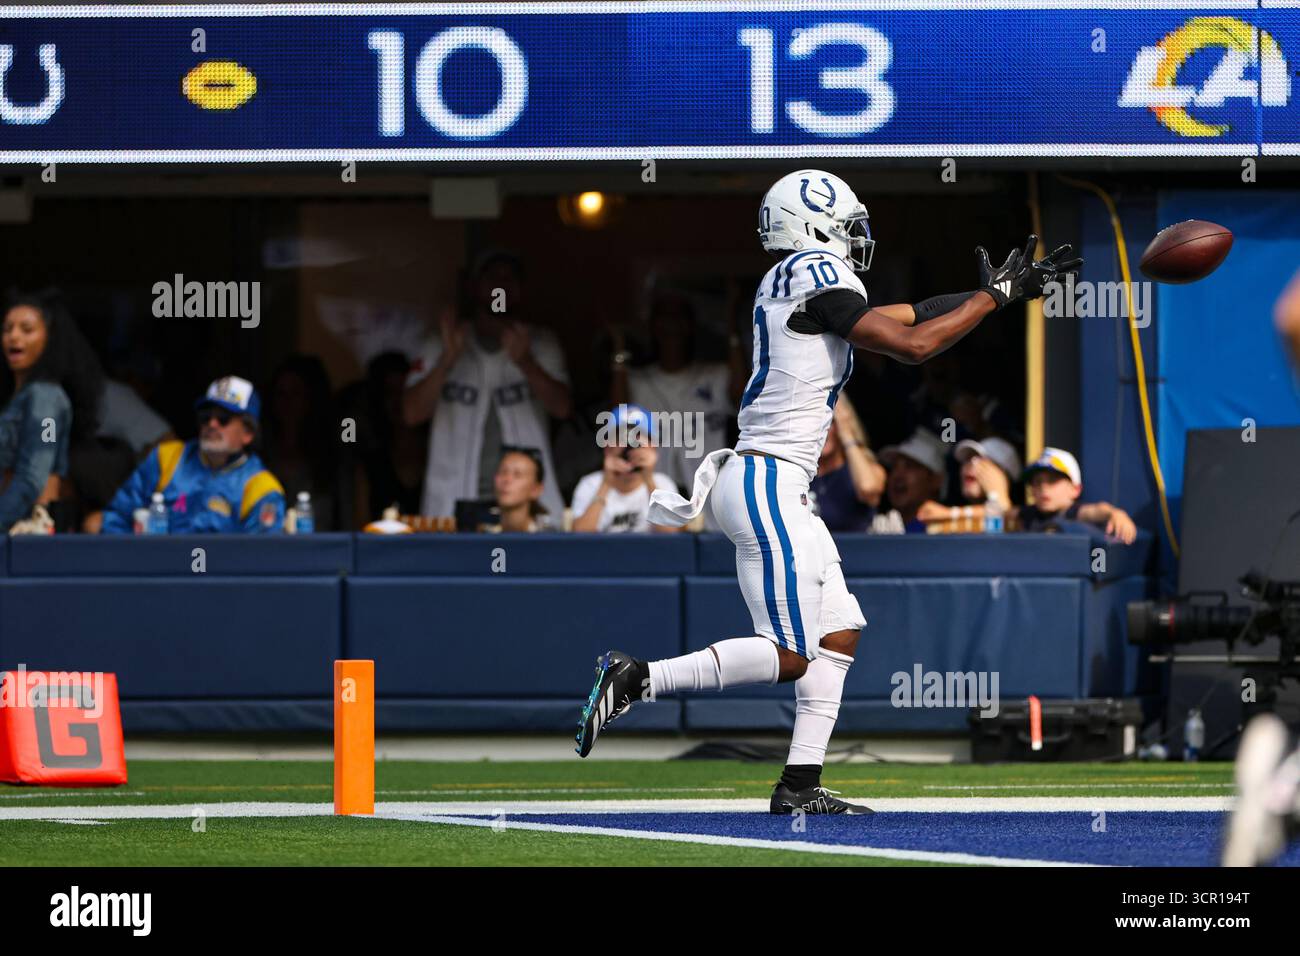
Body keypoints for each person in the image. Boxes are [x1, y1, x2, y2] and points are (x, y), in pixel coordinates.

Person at [573, 168, 1081, 816]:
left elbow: (912, 313)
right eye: (846, 225)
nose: (855, 238)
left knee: (838, 631)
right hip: (768, 482)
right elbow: (915, 343)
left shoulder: (798, 282)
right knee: (788, 654)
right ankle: (636, 678)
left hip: (774, 483)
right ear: (815, 226)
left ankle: (799, 784)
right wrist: (990, 300)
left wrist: (995, 294)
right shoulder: (818, 273)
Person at [402, 251, 572, 519]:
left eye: (509, 278)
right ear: (474, 287)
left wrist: (526, 362)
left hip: (527, 506)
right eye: (492, 277)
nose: (501, 285)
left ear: (520, 290)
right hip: (453, 502)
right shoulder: (442, 342)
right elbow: (412, 414)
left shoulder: (541, 343)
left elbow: (563, 408)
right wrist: (447, 360)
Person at [100, 376, 286, 533]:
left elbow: (260, 559)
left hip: (221, 574)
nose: (212, 424)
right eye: (206, 417)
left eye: (223, 419)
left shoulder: (262, 488)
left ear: (248, 433)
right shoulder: (167, 457)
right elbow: (117, 518)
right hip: (157, 570)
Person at [611, 290, 746, 494]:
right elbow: (618, 417)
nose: (672, 324)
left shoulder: (714, 375)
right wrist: (619, 347)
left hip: (710, 496)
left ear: (691, 325)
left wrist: (732, 327)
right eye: (664, 317)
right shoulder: (637, 381)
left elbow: (743, 400)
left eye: (678, 317)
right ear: (652, 326)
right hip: (655, 493)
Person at [0, 292, 104, 532]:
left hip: (25, 532)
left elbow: (34, 476)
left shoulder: (45, 399)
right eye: (7, 329)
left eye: (27, 329)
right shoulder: (18, 397)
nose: (14, 336)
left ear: (49, 339)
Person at [570, 404, 679, 533]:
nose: (630, 445)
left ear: (653, 447)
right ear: (607, 447)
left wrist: (649, 480)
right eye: (622, 437)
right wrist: (606, 483)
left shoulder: (662, 483)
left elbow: (672, 533)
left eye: (638, 438)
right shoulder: (590, 484)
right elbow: (580, 535)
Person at [1016, 447, 1137, 543]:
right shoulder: (1027, 514)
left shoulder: (1074, 512)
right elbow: (1008, 513)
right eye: (1037, 482)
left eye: (1052, 480)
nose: (1043, 487)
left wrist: (1116, 514)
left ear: (1075, 489)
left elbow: (1097, 510)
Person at [809, 395, 884, 532]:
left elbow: (868, 488)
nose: (822, 431)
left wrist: (847, 433)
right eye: (815, 422)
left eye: (830, 422)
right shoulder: (800, 473)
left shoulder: (861, 469)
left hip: (853, 552)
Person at [915, 436, 1021, 531]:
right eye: (967, 460)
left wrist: (949, 514)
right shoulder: (943, 513)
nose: (970, 465)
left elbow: (1004, 516)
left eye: (982, 461)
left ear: (1003, 475)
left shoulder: (1026, 518)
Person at [869, 428, 947, 534]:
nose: (897, 475)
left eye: (910, 466)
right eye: (894, 467)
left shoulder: (948, 529)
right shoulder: (881, 527)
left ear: (935, 480)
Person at [487, 446, 549, 533]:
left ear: (536, 489)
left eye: (517, 475)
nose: (507, 480)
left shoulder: (548, 537)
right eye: (503, 472)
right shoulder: (483, 535)